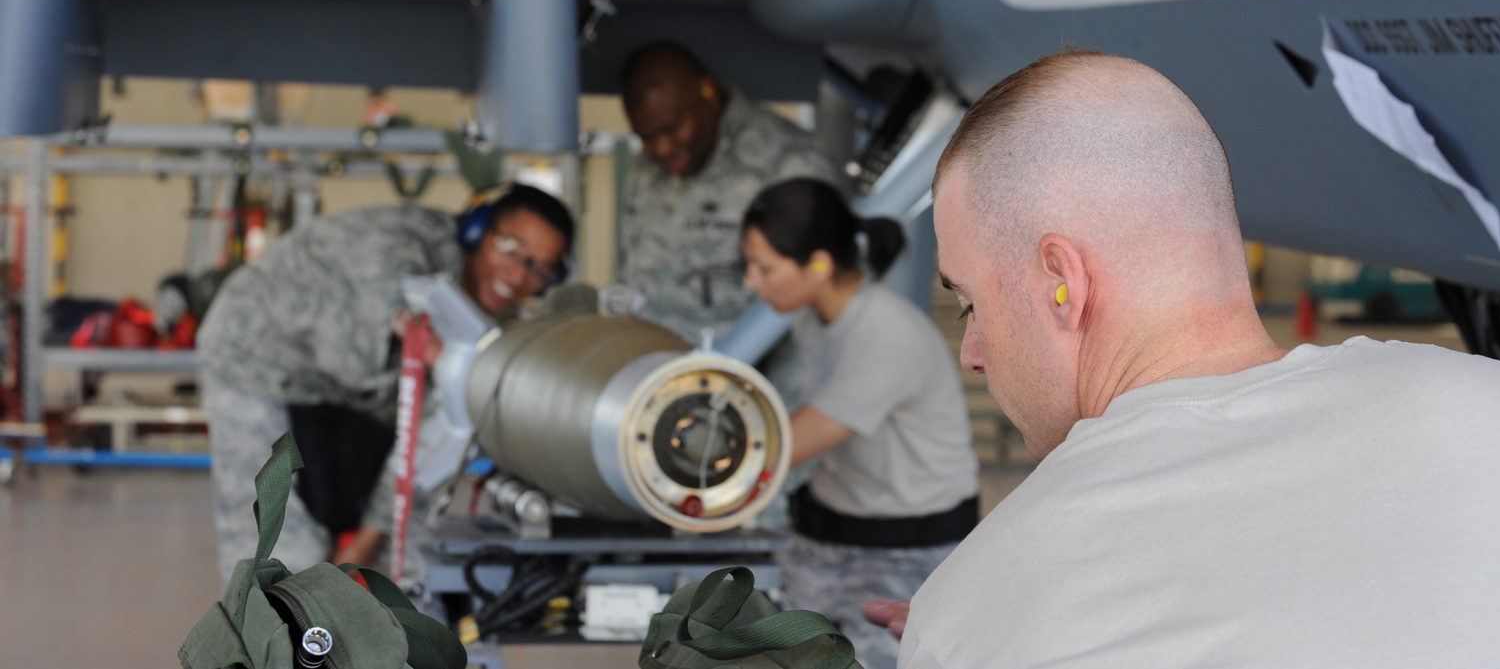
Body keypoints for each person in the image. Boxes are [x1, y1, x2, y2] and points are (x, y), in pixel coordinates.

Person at [859, 50, 1500, 666]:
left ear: (1062, 279)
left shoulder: (980, 595)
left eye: (969, 304)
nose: (974, 352)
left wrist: (972, 627)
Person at [197, 185, 572, 585]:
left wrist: (365, 541)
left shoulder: (488, 334)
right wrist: (427, 339)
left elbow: (427, 445)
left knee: (408, 559)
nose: (517, 276)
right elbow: (391, 283)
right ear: (477, 231)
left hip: (343, 395)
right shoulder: (405, 235)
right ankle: (264, 639)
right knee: (281, 547)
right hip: (255, 362)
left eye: (539, 268)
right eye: (510, 248)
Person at [740, 178, 979, 669]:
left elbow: (777, 450)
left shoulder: (884, 334)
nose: (751, 281)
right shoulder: (814, 318)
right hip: (829, 537)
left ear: (820, 265)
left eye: (764, 268)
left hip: (908, 553)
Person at [617, 42, 841, 403]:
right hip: (651, 391)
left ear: (706, 91)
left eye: (671, 127)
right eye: (646, 137)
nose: (661, 147)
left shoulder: (787, 161)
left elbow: (813, 308)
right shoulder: (646, 168)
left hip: (743, 402)